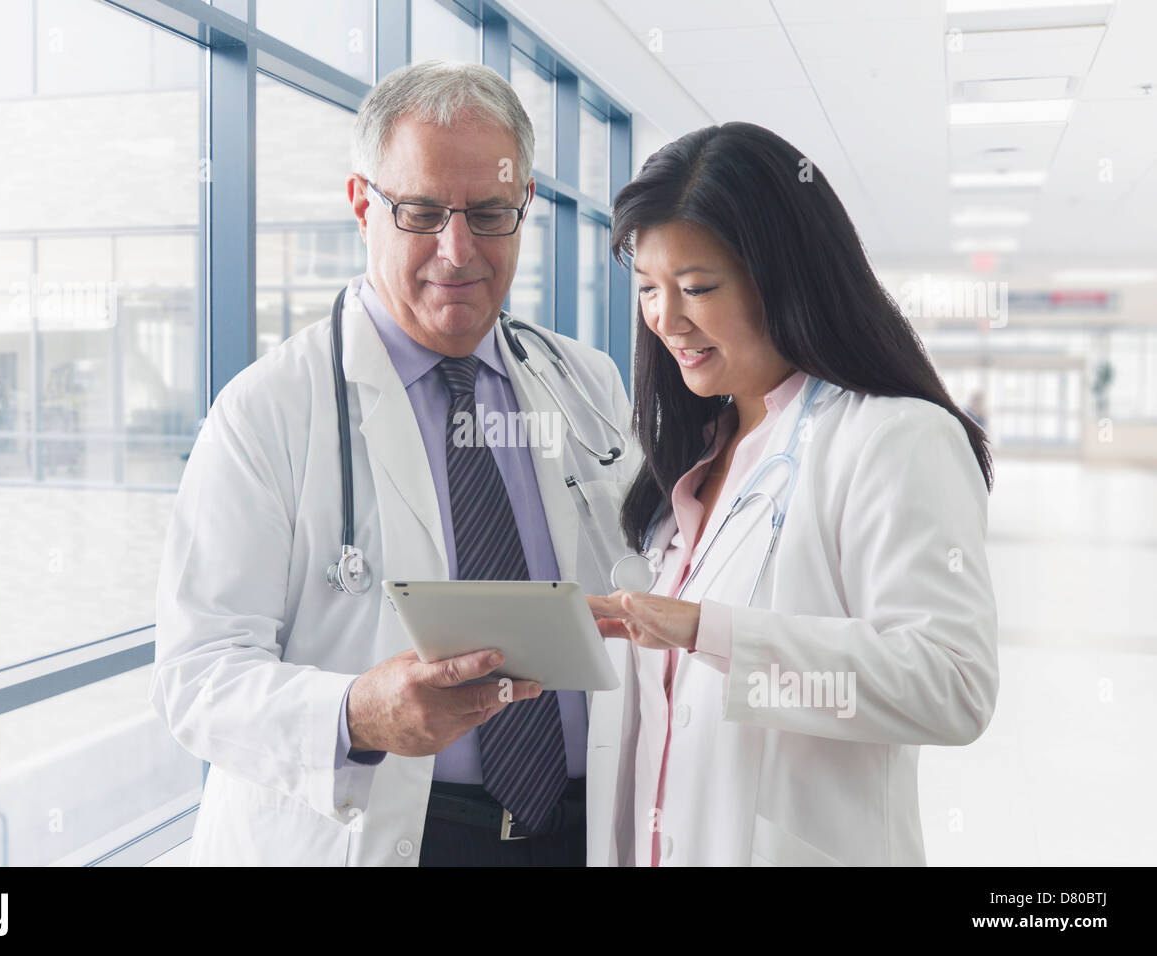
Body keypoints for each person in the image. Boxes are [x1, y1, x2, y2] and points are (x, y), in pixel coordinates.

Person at [149, 60, 638, 866]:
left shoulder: (585, 383)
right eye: (419, 212)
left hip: (577, 830)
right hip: (379, 831)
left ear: (526, 209)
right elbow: (197, 676)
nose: (457, 250)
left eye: (489, 214)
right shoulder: (268, 411)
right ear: (361, 206)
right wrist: (353, 713)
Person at [585, 122, 999, 866]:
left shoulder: (894, 439)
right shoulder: (691, 457)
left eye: (698, 287)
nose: (665, 319)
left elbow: (952, 684)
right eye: (648, 287)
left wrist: (712, 632)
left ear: (786, 275)